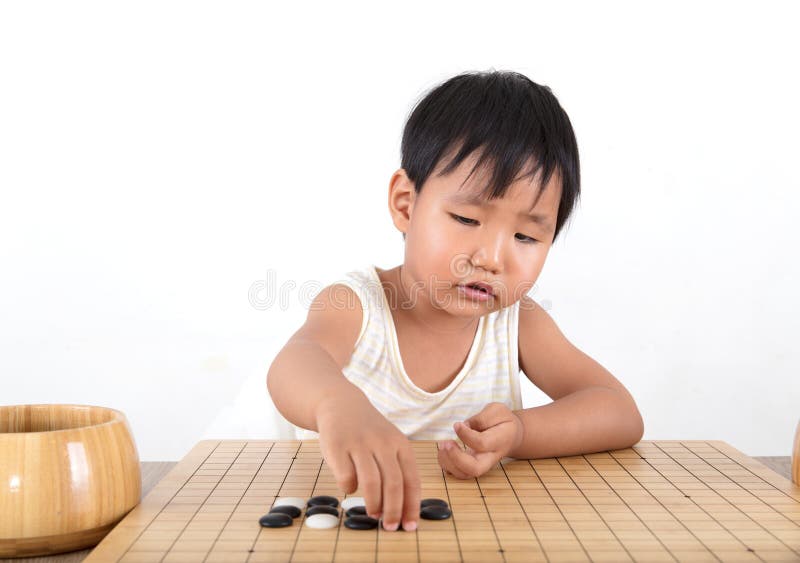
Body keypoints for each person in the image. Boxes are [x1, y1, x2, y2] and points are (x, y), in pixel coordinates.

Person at [267, 69, 644, 534]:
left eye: (526, 235)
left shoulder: (516, 324)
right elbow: (294, 363)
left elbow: (620, 411)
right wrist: (334, 402)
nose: (491, 258)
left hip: (474, 538)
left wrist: (521, 434)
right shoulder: (356, 305)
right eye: (467, 218)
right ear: (406, 204)